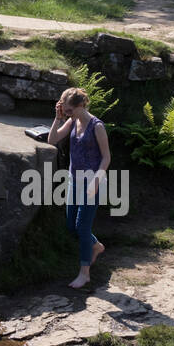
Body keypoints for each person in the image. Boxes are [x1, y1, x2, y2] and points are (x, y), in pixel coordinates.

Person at [48, 87, 109, 289]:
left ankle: (84, 273)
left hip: (93, 182)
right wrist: (58, 118)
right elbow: (53, 140)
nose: (67, 113)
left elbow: (106, 158)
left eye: (69, 110)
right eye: (65, 110)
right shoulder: (72, 121)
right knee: (71, 226)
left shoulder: (97, 126)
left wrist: (96, 182)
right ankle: (96, 246)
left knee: (83, 228)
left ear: (81, 105)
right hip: (74, 180)